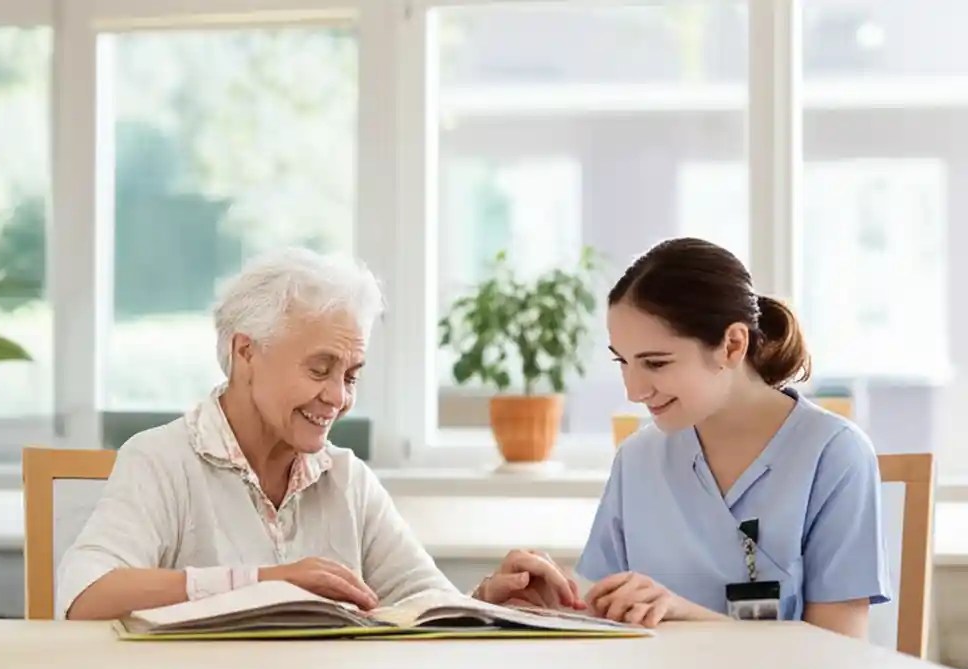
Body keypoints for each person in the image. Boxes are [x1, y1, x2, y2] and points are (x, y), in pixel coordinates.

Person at [58, 247, 576, 620]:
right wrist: (264, 586)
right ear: (246, 354)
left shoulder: (348, 480)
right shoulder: (160, 459)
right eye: (320, 368)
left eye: (350, 375)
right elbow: (85, 595)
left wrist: (485, 601)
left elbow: (422, 604)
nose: (339, 397)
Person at [575, 237, 891, 636]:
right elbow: (596, 617)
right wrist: (532, 604)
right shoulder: (637, 458)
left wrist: (686, 613)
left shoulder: (833, 455)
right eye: (623, 362)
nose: (634, 391)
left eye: (656, 362)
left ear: (732, 344)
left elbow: (839, 652)